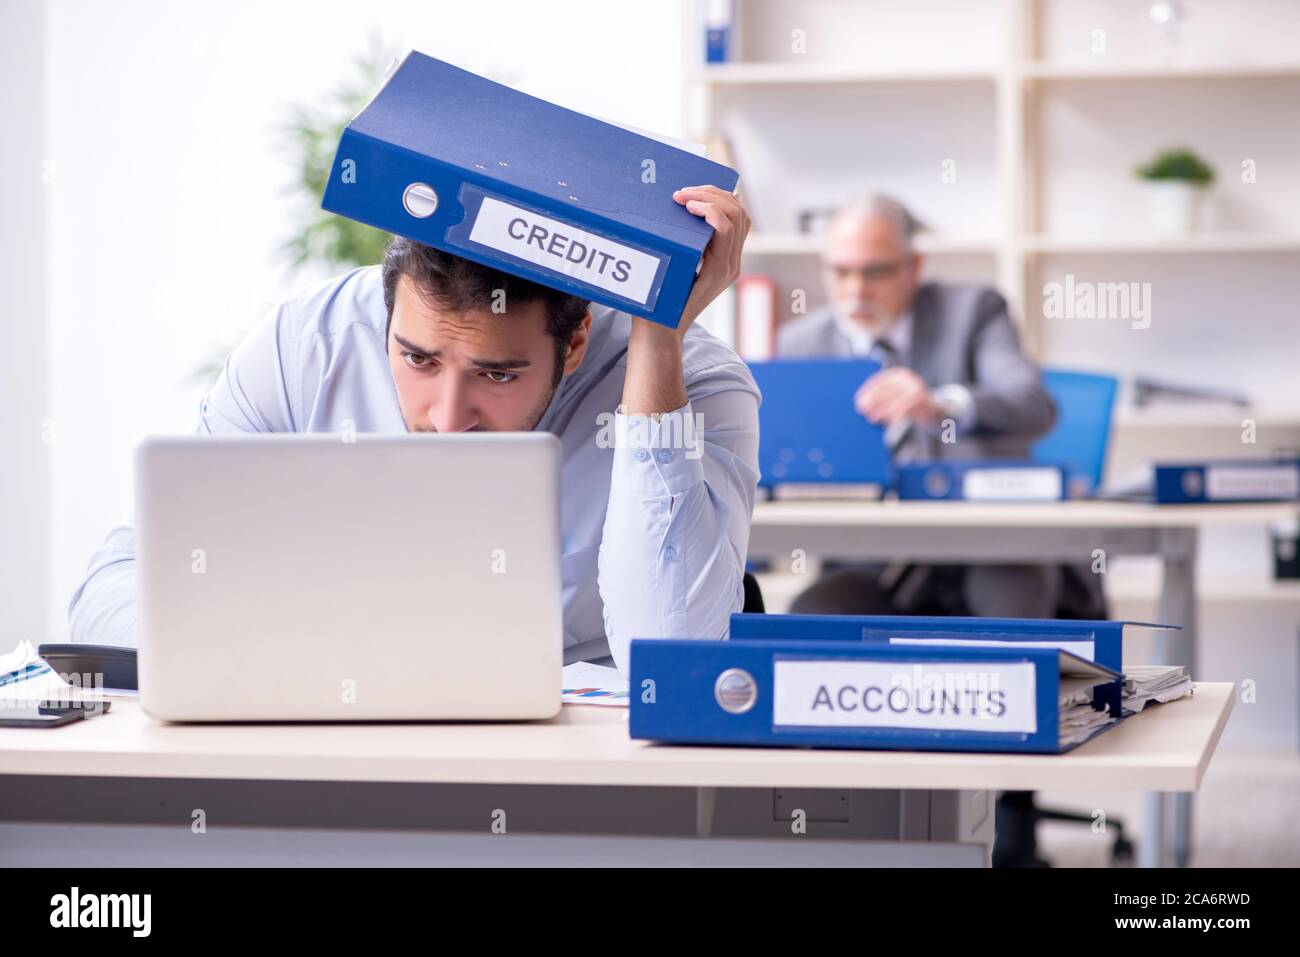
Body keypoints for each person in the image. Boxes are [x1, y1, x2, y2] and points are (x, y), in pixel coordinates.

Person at [69, 186, 758, 675]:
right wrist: (267, 655)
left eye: (496, 373)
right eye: (418, 359)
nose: (447, 417)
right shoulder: (305, 347)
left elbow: (674, 656)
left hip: (578, 774)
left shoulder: (694, 383)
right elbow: (115, 587)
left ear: (575, 341)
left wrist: (658, 341)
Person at [778, 193, 1100, 620]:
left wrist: (940, 405)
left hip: (991, 546)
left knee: (1009, 614)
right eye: (840, 272)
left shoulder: (974, 311)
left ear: (913, 267)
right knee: (812, 617)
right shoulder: (802, 343)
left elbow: (1034, 405)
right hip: (873, 558)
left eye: (875, 272)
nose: (855, 290)